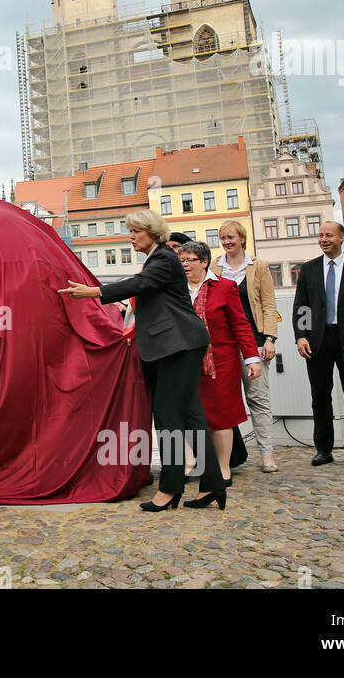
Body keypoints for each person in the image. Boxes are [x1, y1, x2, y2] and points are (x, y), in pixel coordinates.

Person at [61, 209, 227, 510]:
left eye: (135, 231)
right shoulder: (159, 257)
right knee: (190, 416)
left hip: (178, 345)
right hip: (180, 344)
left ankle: (170, 489)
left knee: (168, 418)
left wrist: (93, 292)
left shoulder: (163, 258)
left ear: (152, 232)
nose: (131, 236)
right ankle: (212, 484)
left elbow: (138, 285)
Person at [178, 241, 260, 484]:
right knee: (181, 414)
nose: (184, 265)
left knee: (221, 416)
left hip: (221, 362)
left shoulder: (225, 287)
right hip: (184, 363)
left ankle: (223, 468)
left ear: (204, 262)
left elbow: (241, 325)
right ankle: (188, 462)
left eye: (190, 260)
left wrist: (252, 358)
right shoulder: (175, 290)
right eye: (181, 261)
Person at [293, 221, 344, 467]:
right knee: (320, 396)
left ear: (342, 238)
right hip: (318, 340)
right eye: (321, 235)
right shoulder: (309, 269)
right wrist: (301, 336)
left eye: (329, 235)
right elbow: (302, 305)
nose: (324, 239)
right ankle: (323, 449)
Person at [215, 220, 280, 472]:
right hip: (224, 345)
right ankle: (226, 458)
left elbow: (269, 304)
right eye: (223, 238)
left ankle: (267, 455)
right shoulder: (214, 267)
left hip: (254, 342)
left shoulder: (258, 267)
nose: (227, 242)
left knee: (258, 399)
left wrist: (269, 338)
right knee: (225, 402)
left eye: (231, 237)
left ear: (242, 239)